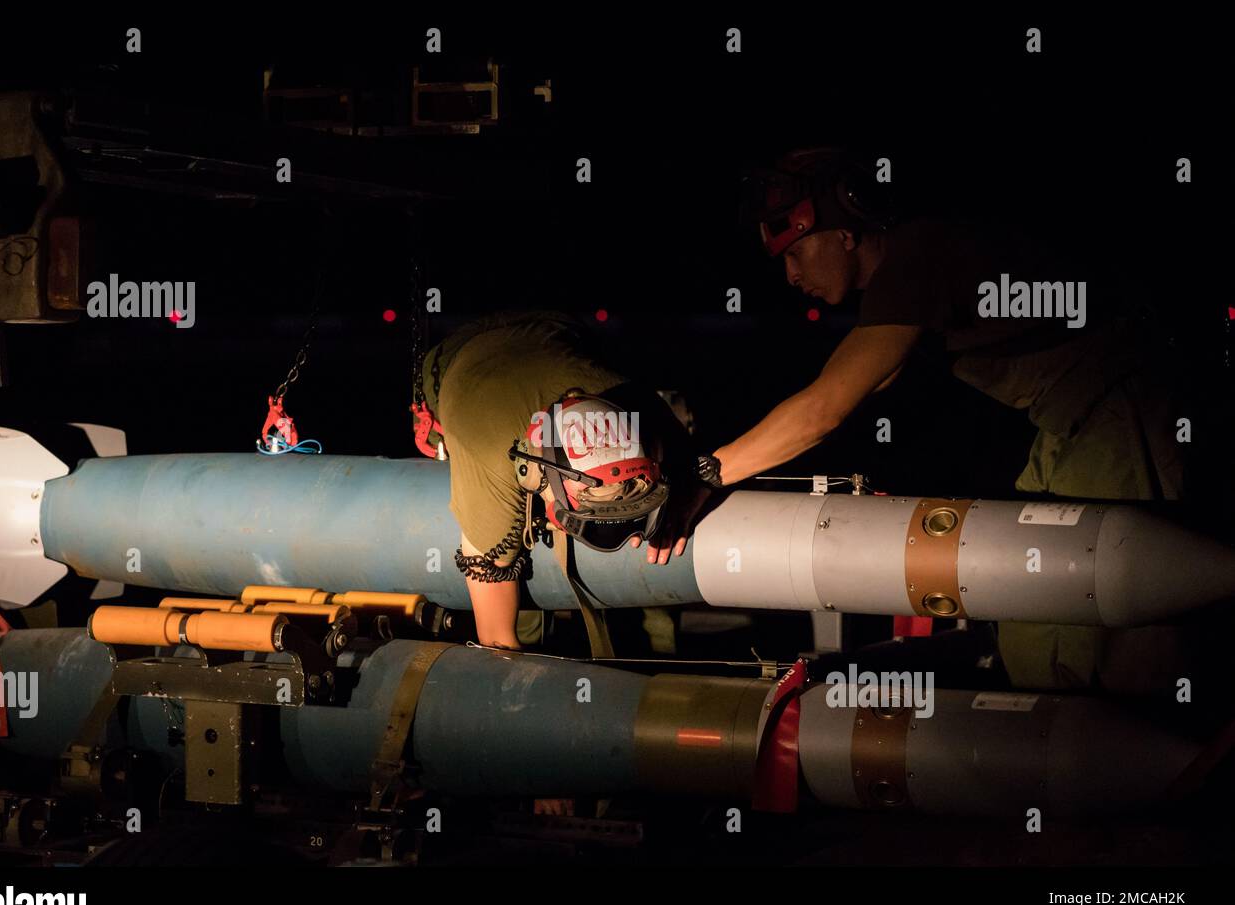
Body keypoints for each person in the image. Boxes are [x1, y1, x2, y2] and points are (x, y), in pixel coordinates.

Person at [700, 148, 1187, 692]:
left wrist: (702, 477)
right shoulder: (911, 268)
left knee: (1105, 623)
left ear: (845, 234)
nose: (790, 275)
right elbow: (859, 387)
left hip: (1122, 412)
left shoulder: (917, 262)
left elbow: (823, 410)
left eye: (796, 252)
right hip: (1072, 425)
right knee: (1032, 616)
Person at [411, 311, 696, 651]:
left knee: (652, 604)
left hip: (552, 326)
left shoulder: (640, 412)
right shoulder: (489, 447)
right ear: (533, 472)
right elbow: (496, 636)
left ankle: (652, 662)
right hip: (465, 356)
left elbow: (697, 467)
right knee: (519, 572)